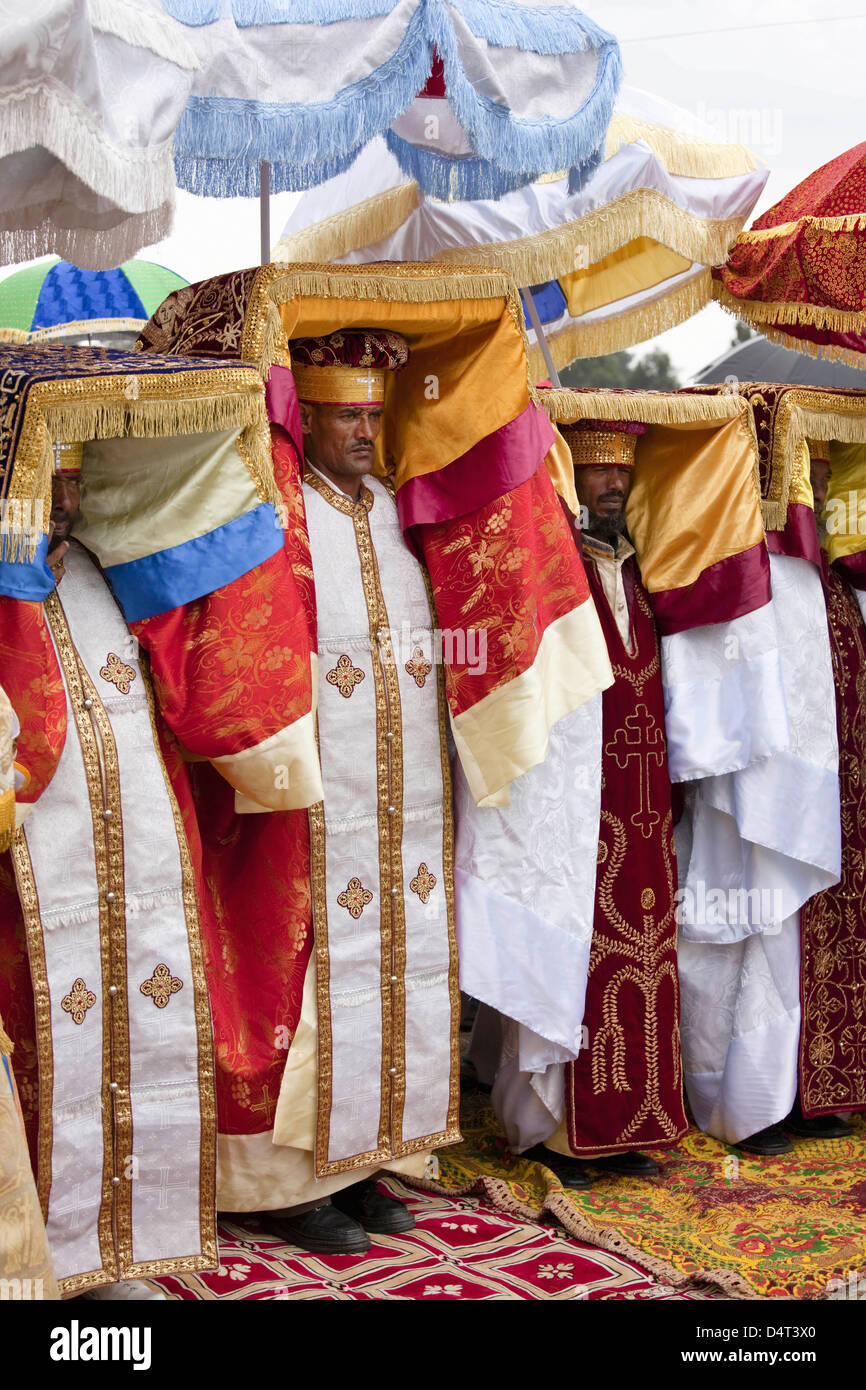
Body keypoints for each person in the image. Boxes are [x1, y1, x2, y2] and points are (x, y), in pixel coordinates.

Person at [0, 459, 214, 1296]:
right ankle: (43, 1259)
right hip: (28, 888)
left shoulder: (99, 568)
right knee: (50, 1059)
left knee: (137, 1036)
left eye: (75, 482)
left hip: (132, 865)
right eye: (47, 480)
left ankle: (119, 1247)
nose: (65, 502)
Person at [515, 418, 686, 1186]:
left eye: (621, 471)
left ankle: (633, 1122)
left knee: (645, 952)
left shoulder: (641, 569)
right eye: (596, 470)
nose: (613, 483)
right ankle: (556, 1131)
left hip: (642, 803)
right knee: (576, 952)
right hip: (576, 802)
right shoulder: (557, 570)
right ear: (571, 477)